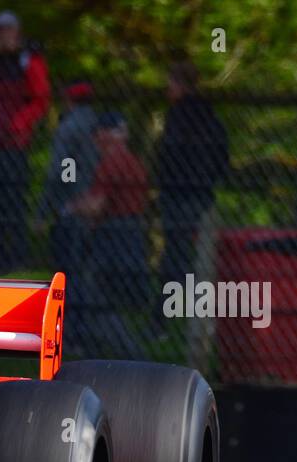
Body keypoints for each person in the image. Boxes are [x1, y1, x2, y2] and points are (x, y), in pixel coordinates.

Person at [68, 113, 149, 357]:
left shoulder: (112, 163)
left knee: (96, 297)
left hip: (114, 236)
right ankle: (103, 351)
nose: (95, 140)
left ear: (105, 135)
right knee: (101, 298)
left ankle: (128, 355)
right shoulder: (134, 161)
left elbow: (97, 206)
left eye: (98, 134)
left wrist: (72, 208)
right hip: (130, 233)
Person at [0, 9, 50, 272]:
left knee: (13, 200)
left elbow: (40, 99)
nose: (1, 35)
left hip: (15, 144)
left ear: (16, 32)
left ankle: (16, 255)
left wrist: (17, 124)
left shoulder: (29, 61)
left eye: (6, 30)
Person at [156, 60, 229, 302]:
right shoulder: (211, 117)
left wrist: (165, 180)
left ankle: (167, 308)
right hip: (202, 192)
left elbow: (168, 155)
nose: (168, 90)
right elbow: (222, 157)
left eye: (170, 84)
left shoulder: (177, 118)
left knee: (175, 251)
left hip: (178, 193)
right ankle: (193, 303)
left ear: (179, 85)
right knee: (196, 249)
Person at [35, 80, 98, 289]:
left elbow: (60, 172)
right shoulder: (99, 125)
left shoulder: (70, 127)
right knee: (88, 265)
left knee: (67, 266)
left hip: (71, 205)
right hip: (98, 203)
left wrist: (44, 211)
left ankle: (67, 310)